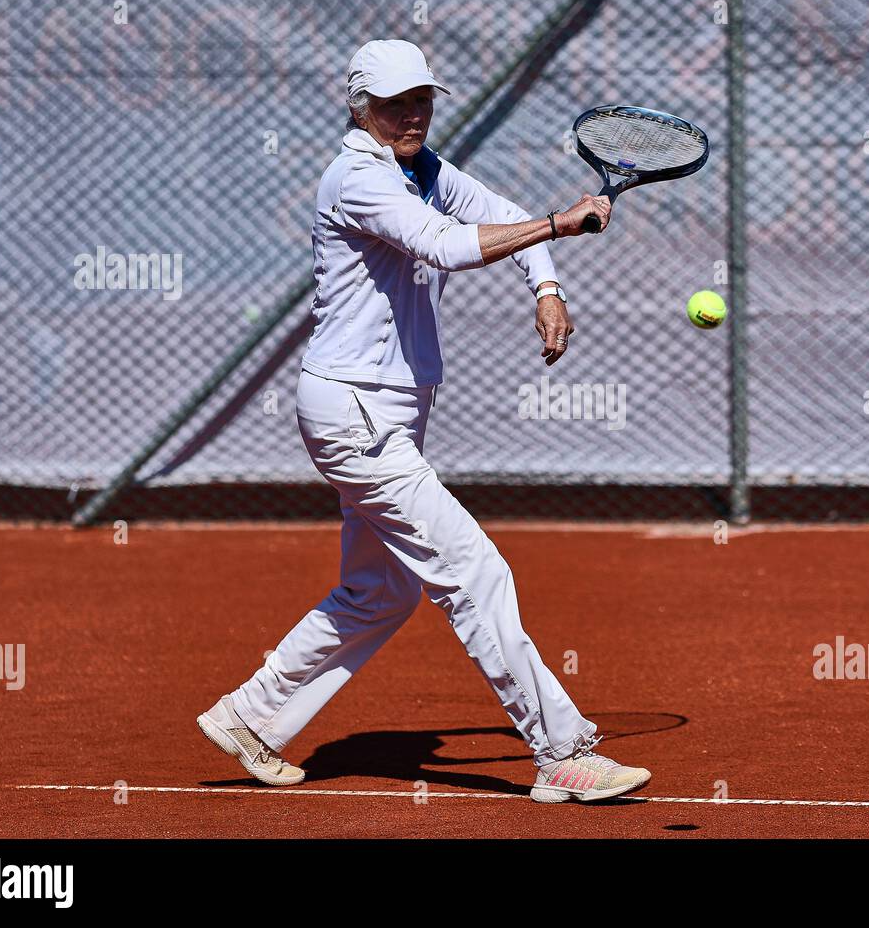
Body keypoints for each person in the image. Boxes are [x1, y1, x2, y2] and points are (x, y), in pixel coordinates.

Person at [197, 39, 650, 803]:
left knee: (382, 592)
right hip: (357, 415)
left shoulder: (424, 168)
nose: (413, 113)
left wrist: (547, 288)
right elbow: (444, 245)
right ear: (359, 107)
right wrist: (558, 227)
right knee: (475, 571)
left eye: (423, 99)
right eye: (396, 101)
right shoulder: (357, 178)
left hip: (383, 414)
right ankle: (563, 751)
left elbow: (499, 216)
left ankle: (251, 715)